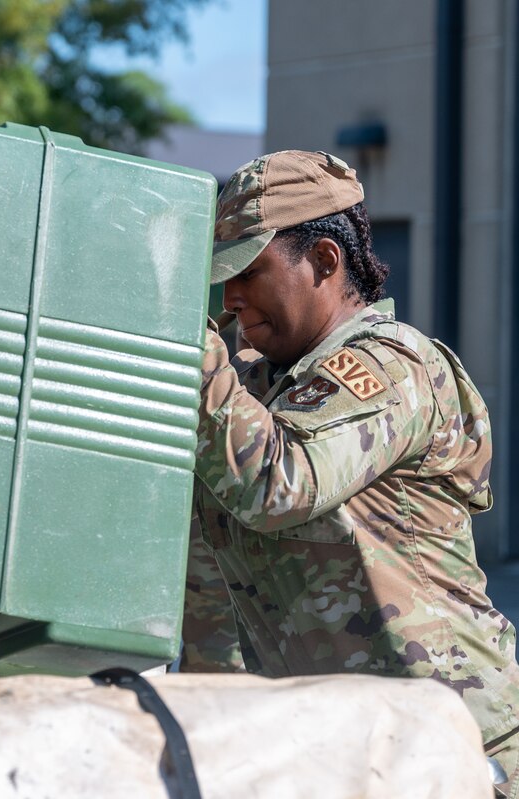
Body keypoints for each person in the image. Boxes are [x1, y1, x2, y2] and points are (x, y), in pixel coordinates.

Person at [187, 149, 519, 795]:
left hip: (460, 755)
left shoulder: (395, 369)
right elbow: (211, 584)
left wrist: (184, 355)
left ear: (325, 261)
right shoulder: (252, 391)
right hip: (341, 756)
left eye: (249, 273)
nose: (228, 300)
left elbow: (275, 483)